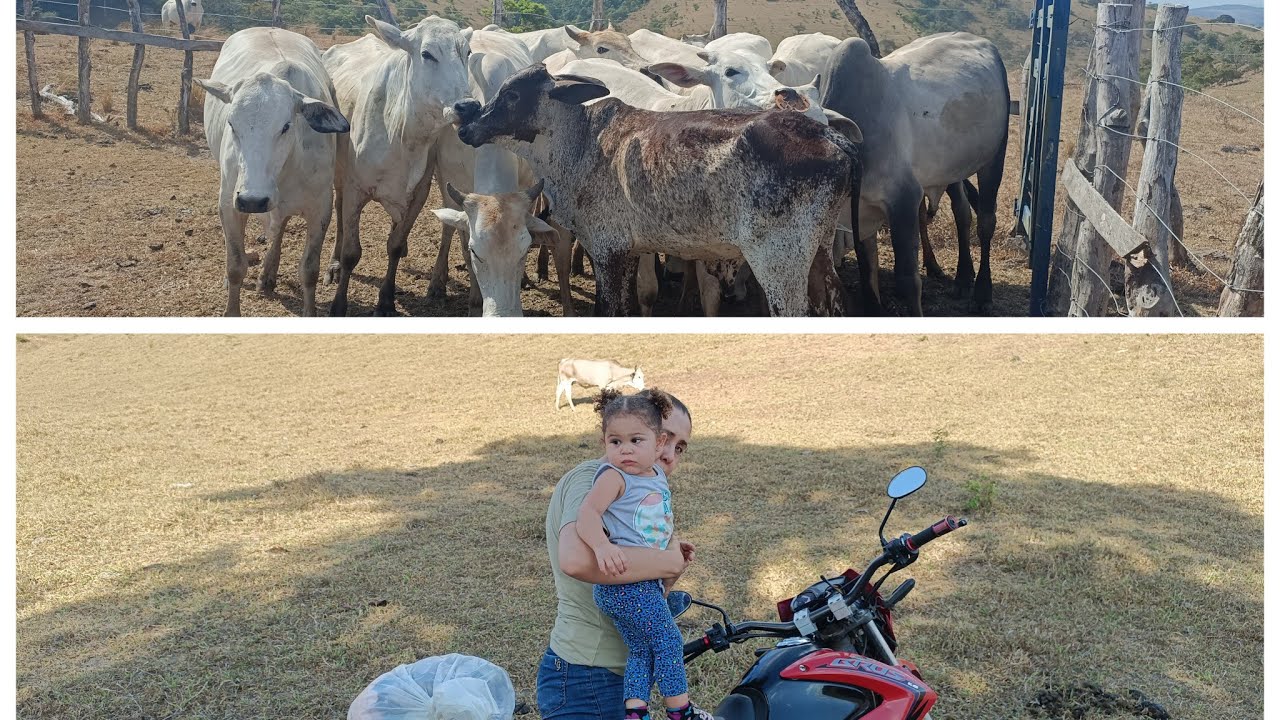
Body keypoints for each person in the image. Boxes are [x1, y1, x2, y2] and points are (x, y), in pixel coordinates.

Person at [539, 389, 699, 720]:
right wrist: (669, 561)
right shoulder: (594, 479)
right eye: (666, 437)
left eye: (679, 447)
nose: (669, 454)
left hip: (620, 672)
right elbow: (576, 559)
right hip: (587, 677)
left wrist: (667, 573)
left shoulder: (644, 487)